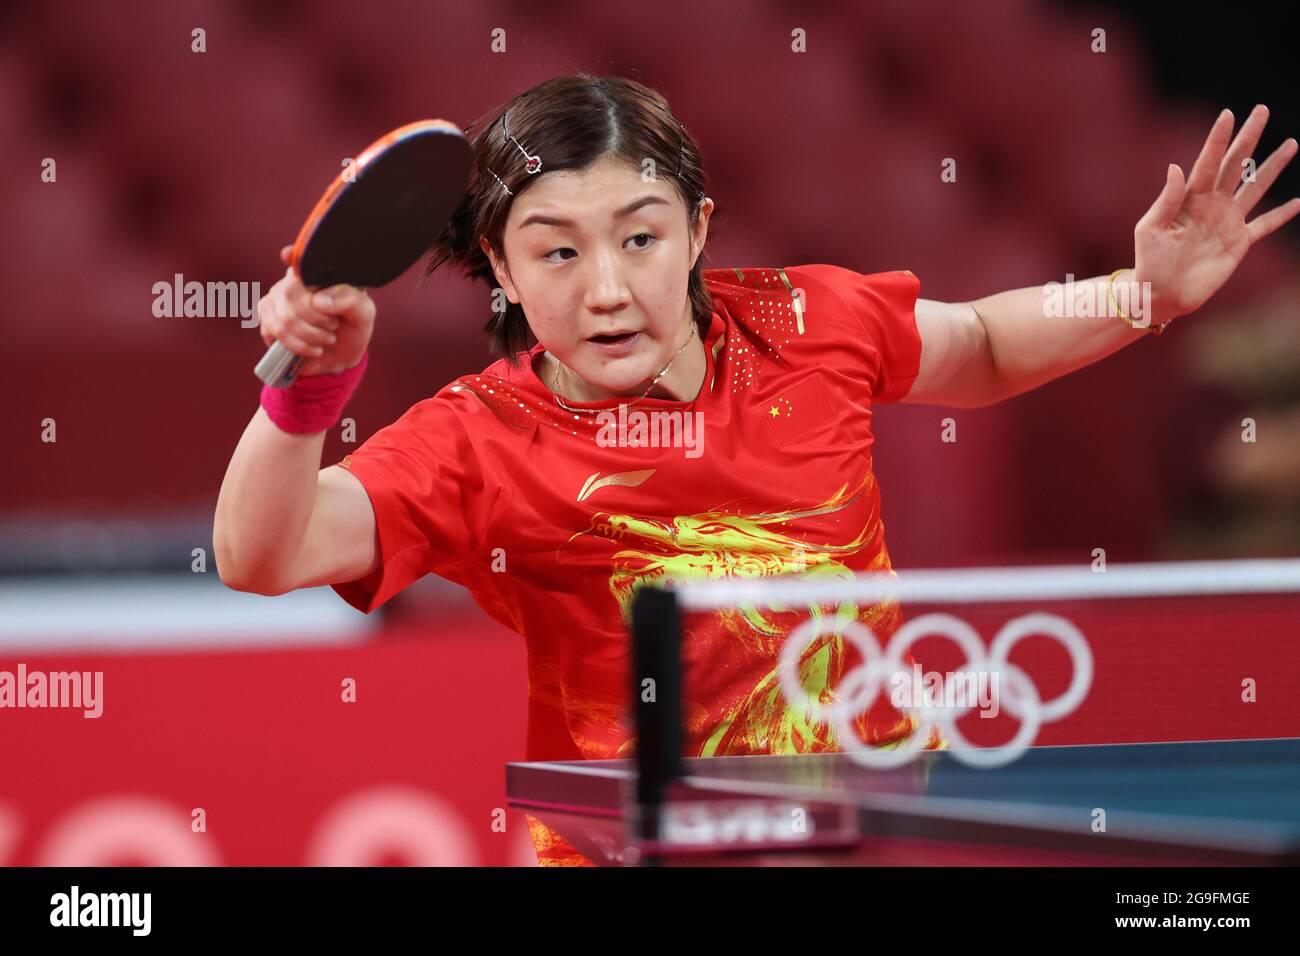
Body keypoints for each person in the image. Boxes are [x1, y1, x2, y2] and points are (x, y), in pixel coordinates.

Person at [214, 75, 1298, 865]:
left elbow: (979, 344)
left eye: (639, 238)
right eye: (555, 250)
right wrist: (311, 391)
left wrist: (1138, 293)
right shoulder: (479, 436)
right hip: (632, 851)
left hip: (868, 829)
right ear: (497, 267)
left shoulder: (806, 320)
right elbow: (262, 553)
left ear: (696, 231)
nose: (605, 288)